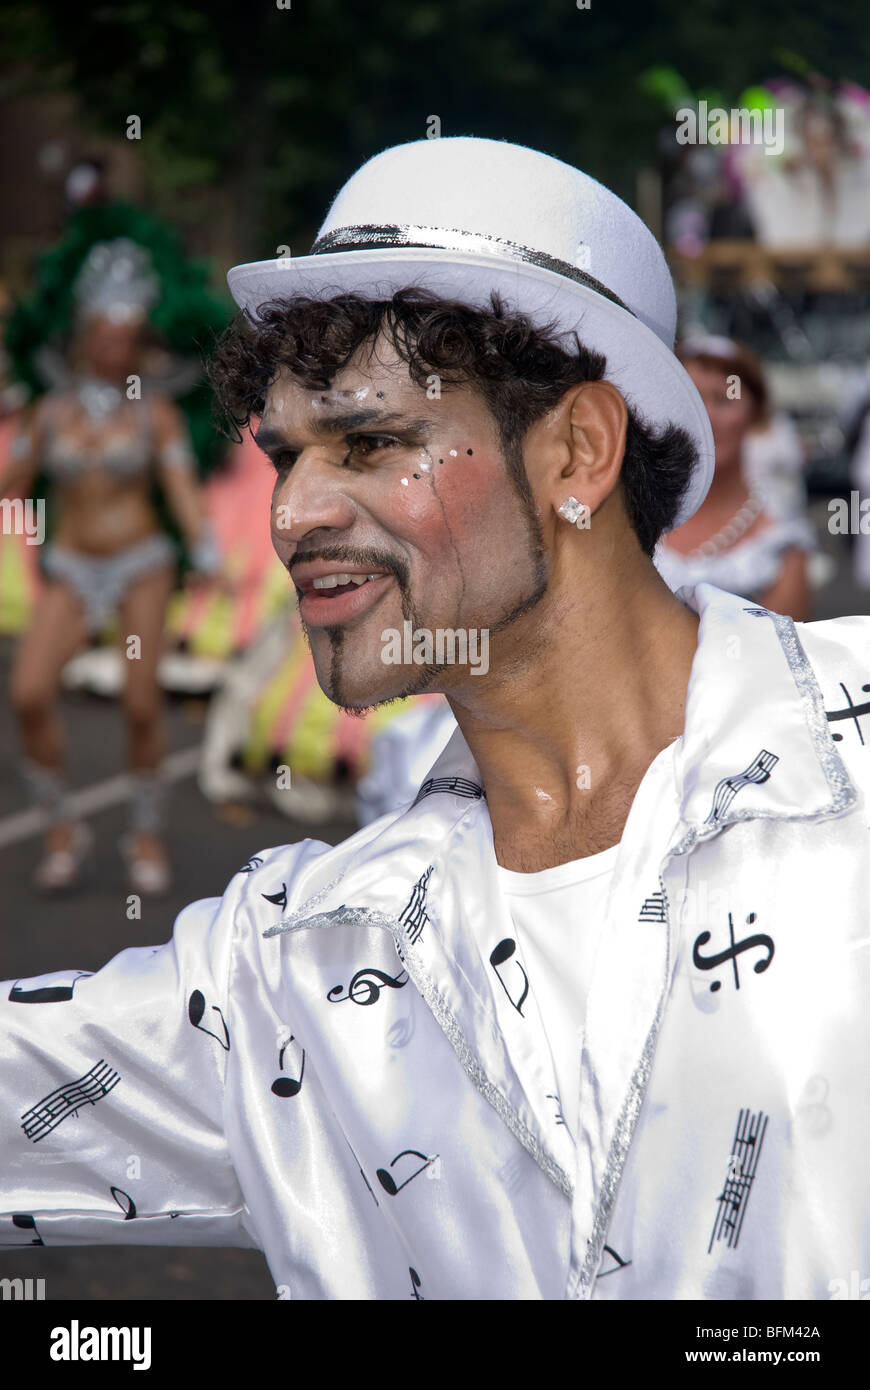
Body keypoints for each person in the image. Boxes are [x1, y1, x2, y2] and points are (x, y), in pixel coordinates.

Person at [1, 137, 868, 1301]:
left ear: (578, 450)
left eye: (370, 442)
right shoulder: (297, 967)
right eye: (285, 456)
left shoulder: (850, 760)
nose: (294, 512)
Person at [2, 239, 219, 895]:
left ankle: (145, 835)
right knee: (30, 692)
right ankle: (63, 831)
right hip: (72, 568)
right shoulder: (48, 412)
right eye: (105, 336)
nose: (115, 351)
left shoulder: (154, 414)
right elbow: (13, 482)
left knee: (140, 704)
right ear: (84, 335)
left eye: (127, 339)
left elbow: (181, 488)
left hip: (141, 566)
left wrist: (202, 542)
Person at [655, 336, 814, 619]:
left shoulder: (779, 544)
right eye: (692, 398)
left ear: (754, 412)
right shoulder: (633, 511)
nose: (706, 417)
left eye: (723, 400)